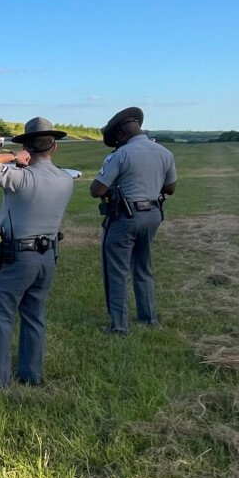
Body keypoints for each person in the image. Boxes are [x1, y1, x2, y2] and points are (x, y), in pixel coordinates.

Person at [0, 118, 75, 388]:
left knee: (1, 316)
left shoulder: (20, 177)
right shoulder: (65, 180)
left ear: (27, 147)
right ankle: (31, 374)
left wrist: (12, 156)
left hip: (17, 257)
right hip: (47, 256)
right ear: (54, 147)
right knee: (34, 316)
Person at [89, 106, 178, 335]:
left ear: (120, 134)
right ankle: (148, 317)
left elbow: (97, 190)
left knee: (116, 271)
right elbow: (170, 187)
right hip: (153, 214)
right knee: (143, 267)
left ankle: (119, 326)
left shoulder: (120, 155)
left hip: (125, 217)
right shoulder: (164, 152)